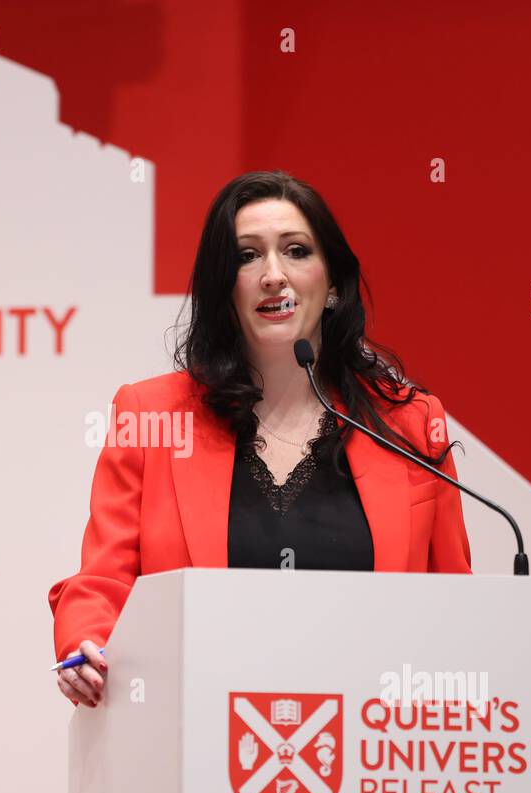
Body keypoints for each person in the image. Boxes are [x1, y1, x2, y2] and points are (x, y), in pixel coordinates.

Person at [49, 170, 471, 708]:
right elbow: (104, 580)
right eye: (247, 257)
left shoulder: (409, 422)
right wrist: (87, 643)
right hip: (200, 731)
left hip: (375, 747)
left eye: (296, 251)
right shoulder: (151, 415)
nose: (274, 274)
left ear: (334, 282)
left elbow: (457, 601)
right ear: (224, 289)